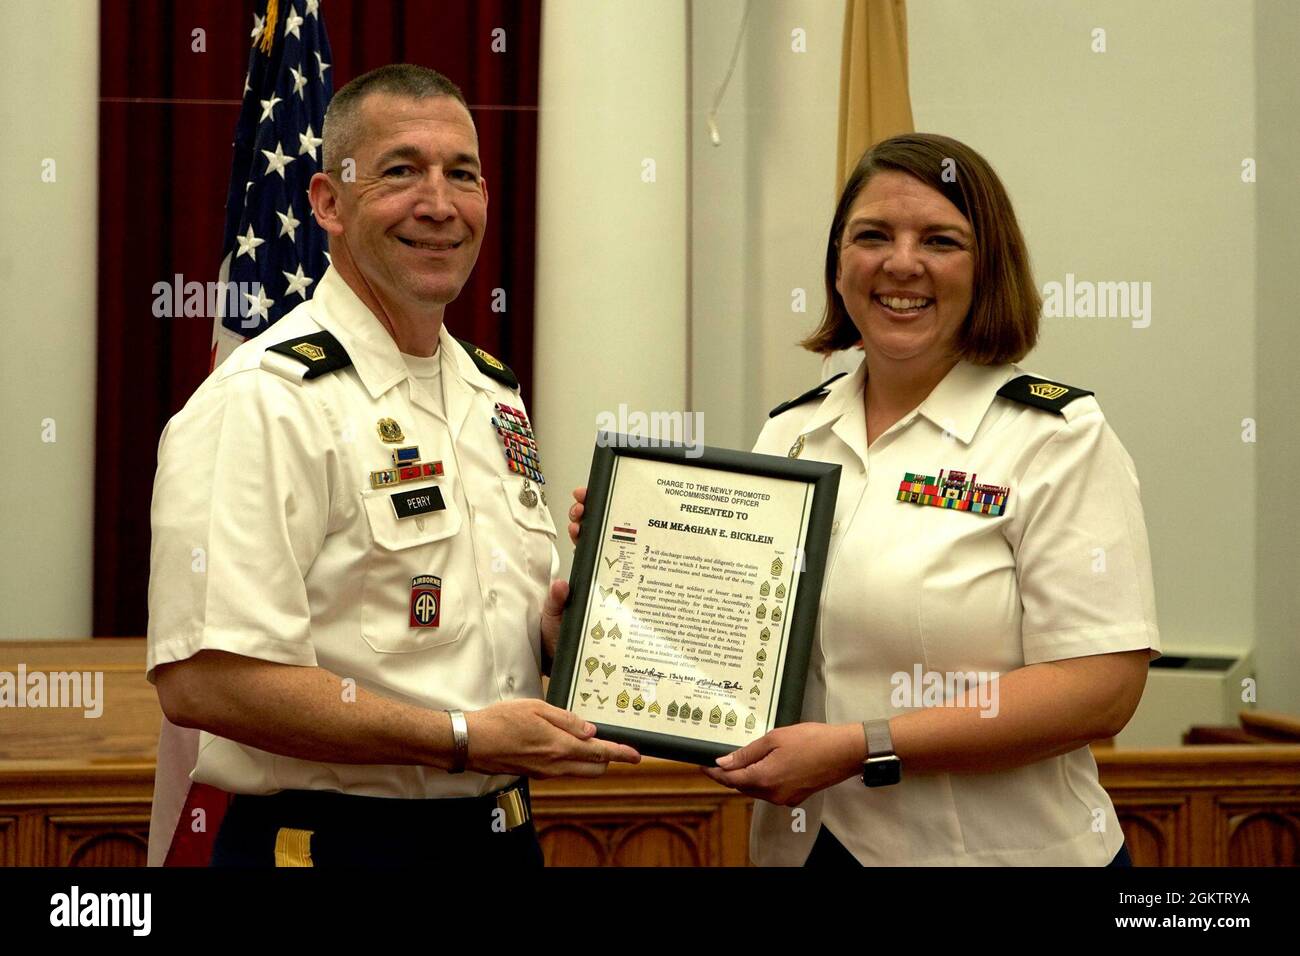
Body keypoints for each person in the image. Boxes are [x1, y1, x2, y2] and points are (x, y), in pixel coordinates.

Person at [570, 133, 1158, 866]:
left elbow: (1100, 691)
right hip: (806, 851)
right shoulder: (790, 434)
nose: (901, 263)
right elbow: (738, 644)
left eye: (940, 240)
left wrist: (863, 748)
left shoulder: (1055, 438)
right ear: (838, 265)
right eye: (872, 235)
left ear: (988, 268)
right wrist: (621, 582)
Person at [147, 64, 638, 868]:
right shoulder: (265, 399)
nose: (439, 205)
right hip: (340, 849)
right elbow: (205, 680)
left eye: (463, 175)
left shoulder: (492, 391)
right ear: (327, 203)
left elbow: (473, 633)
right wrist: (461, 737)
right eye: (401, 170)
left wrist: (558, 632)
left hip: (502, 840)